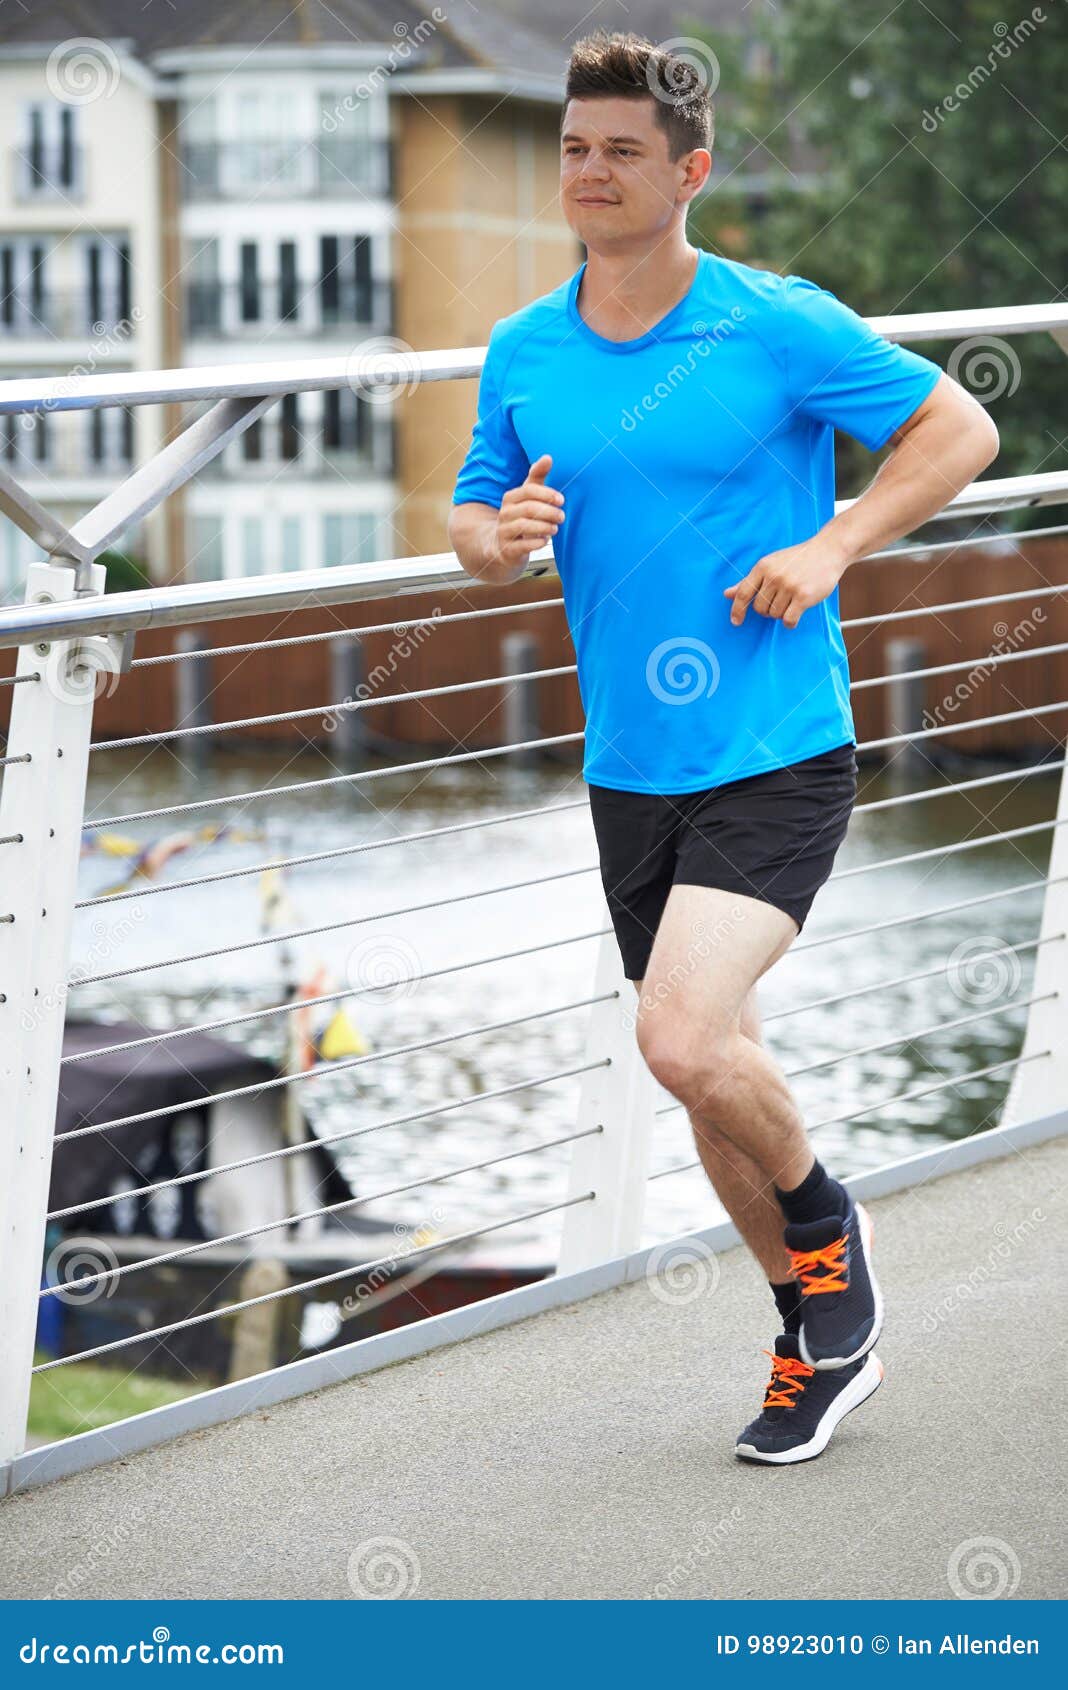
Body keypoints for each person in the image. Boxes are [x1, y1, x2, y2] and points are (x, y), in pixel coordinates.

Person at [448, 30, 999, 1464]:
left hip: (776, 743)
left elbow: (959, 429)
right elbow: (469, 517)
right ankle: (812, 1338)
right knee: (711, 1069)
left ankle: (830, 1230)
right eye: (575, 148)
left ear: (688, 171)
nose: (591, 172)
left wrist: (834, 540)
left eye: (623, 151)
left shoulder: (773, 320)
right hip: (630, 765)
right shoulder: (525, 348)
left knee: (679, 1035)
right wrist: (491, 541)